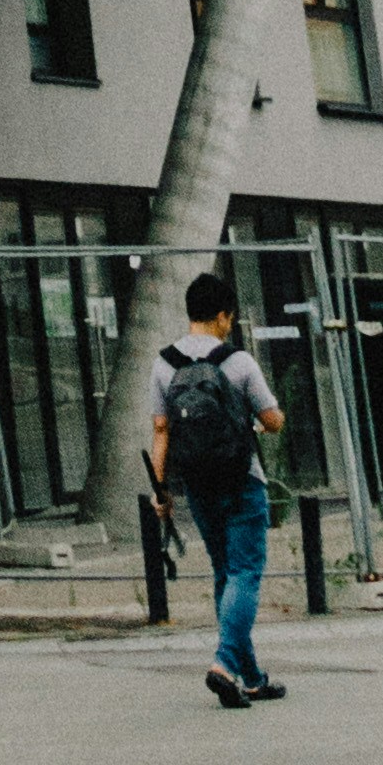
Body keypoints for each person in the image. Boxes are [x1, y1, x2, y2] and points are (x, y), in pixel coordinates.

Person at [148, 264, 285, 708]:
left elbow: (162, 432)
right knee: (246, 573)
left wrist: (161, 490)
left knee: (226, 575)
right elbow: (273, 420)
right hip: (242, 481)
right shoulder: (238, 361)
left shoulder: (164, 365)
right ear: (224, 316)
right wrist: (259, 421)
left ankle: (251, 677)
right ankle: (224, 663)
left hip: (198, 486)